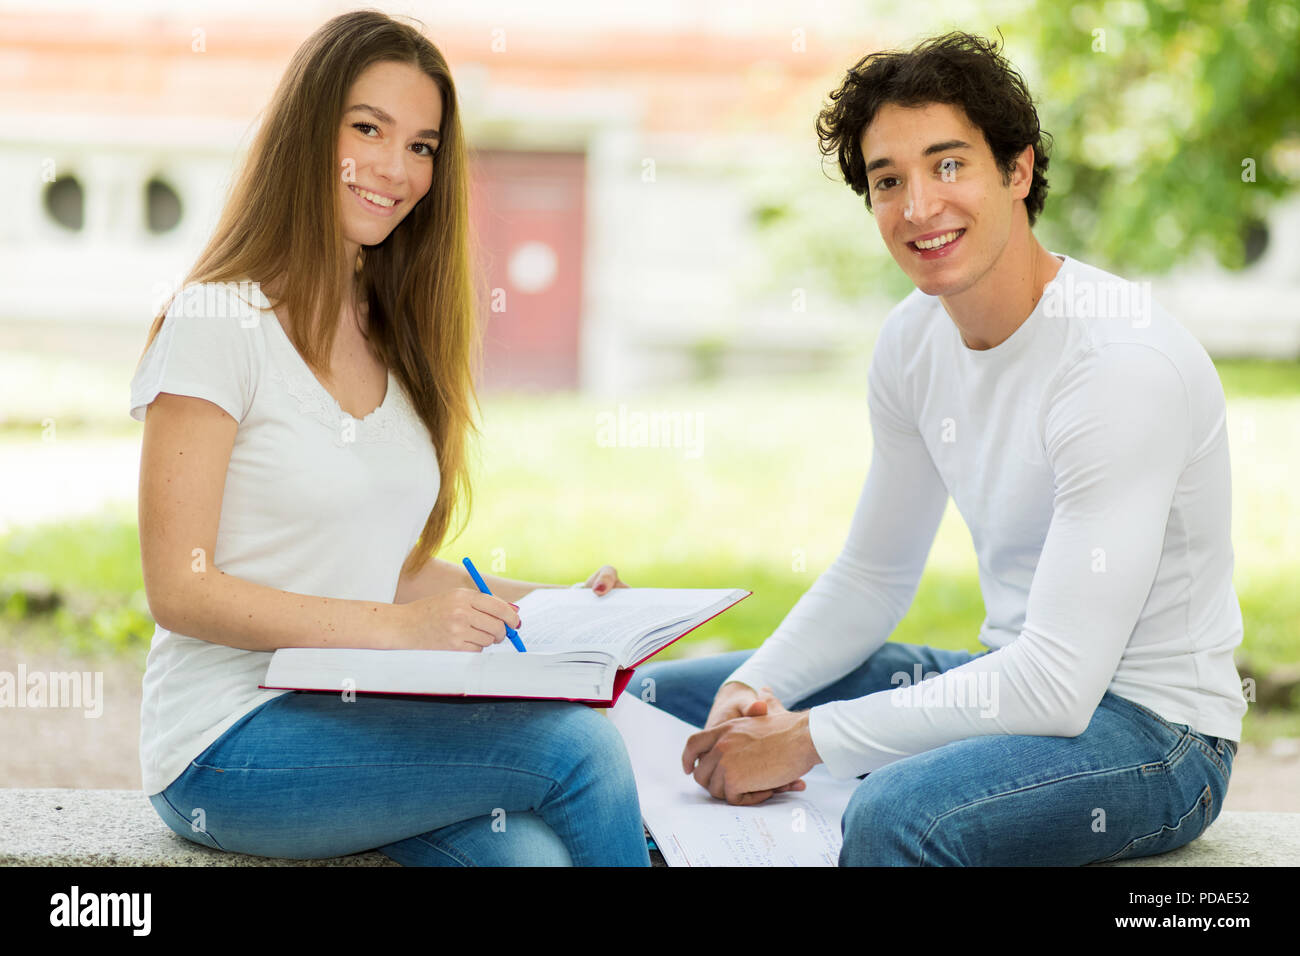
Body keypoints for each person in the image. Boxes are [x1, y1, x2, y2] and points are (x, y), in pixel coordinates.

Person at [628, 31, 1245, 866]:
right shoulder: (914, 340)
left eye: (948, 165)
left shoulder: (1119, 366)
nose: (918, 206)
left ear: (1017, 171)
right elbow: (873, 576)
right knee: (663, 697)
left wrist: (805, 739)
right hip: (1012, 672)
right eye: (889, 180)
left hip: (1153, 732)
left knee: (895, 815)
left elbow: (1059, 688)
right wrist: (752, 696)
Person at [130, 10, 649, 866]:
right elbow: (180, 592)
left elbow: (392, 568)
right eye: (367, 128)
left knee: (530, 859)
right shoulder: (217, 319)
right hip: (226, 741)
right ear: (308, 131)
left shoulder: (391, 331)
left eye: (421, 145)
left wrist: (567, 607)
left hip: (362, 713)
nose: (395, 168)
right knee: (574, 749)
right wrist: (403, 632)